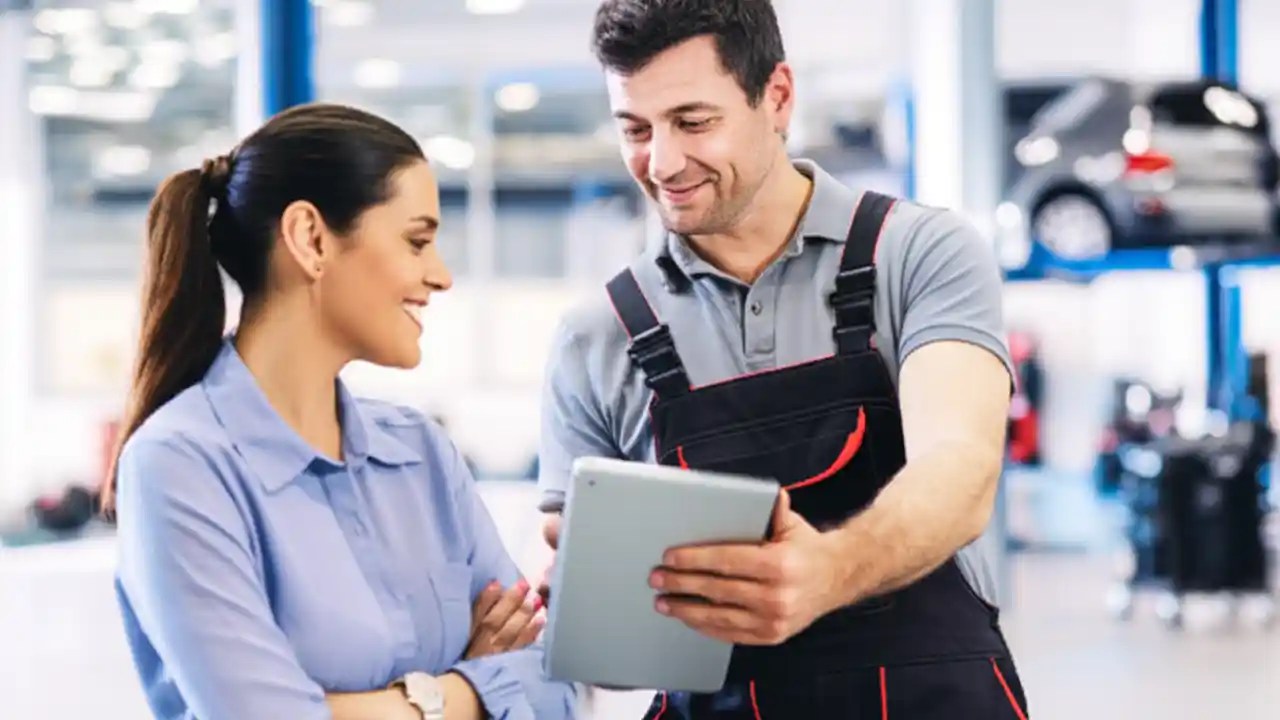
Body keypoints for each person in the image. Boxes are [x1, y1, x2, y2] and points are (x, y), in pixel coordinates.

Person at [536, 1, 1030, 718]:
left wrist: (828, 571)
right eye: (636, 130)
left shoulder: (918, 255)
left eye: (693, 122)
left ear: (777, 97)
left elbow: (959, 469)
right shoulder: (596, 337)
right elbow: (592, 635)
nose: (663, 163)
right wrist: (572, 600)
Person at [104, 103, 578, 720]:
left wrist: (353, 706)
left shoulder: (420, 452)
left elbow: (554, 684)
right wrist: (462, 691)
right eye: (417, 241)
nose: (440, 276)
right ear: (310, 239)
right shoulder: (179, 465)